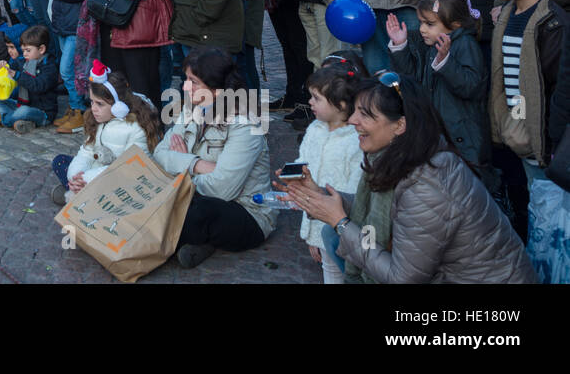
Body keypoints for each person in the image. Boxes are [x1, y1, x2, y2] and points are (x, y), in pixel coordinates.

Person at [285, 74, 538, 283]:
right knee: (334, 234)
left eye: (365, 115)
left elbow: (402, 279)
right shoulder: (399, 155)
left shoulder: (428, 184)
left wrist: (340, 221)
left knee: (339, 232)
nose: (352, 121)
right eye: (354, 112)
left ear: (400, 125)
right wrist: (319, 196)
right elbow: (384, 210)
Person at [153, 48, 274, 269]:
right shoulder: (191, 109)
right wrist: (196, 164)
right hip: (196, 193)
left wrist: (180, 172)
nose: (185, 87)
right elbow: (160, 154)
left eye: (193, 81)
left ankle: (171, 240)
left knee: (195, 211)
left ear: (217, 91)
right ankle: (199, 242)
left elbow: (221, 189)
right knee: (155, 193)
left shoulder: (245, 125)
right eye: (186, 79)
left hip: (246, 212)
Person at [488, 0, 570, 238]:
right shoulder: (508, 15)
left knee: (547, 212)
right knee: (527, 200)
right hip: (515, 129)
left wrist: (551, 140)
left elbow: (556, 88)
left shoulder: (553, 25)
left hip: (542, 139)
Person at [286, 57, 369, 283]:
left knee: (347, 272)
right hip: (316, 217)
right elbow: (302, 163)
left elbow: (353, 192)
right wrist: (293, 182)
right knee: (330, 272)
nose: (310, 102)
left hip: (342, 226)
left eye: (316, 98)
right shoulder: (315, 129)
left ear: (341, 105)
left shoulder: (356, 142)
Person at [386, 0, 488, 168]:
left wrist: (446, 63)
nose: (422, 29)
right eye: (421, 22)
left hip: (462, 138)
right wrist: (400, 46)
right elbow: (412, 80)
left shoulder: (465, 44)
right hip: (436, 133)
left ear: (455, 24)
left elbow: (472, 87)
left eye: (429, 24)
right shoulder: (432, 44)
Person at [50, 63, 163, 206]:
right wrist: (76, 176)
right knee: (60, 161)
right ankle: (79, 193)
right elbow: (87, 151)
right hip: (97, 174)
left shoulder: (136, 128)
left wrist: (87, 179)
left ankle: (79, 198)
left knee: (120, 194)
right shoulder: (99, 118)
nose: (93, 108)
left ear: (118, 106)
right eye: (92, 102)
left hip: (124, 181)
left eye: (100, 104)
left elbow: (126, 168)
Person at [40, 0, 89, 131]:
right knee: (68, 69)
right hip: (61, 23)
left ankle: (79, 111)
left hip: (74, 24)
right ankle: (73, 107)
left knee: (67, 70)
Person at [0, 23, 60, 132]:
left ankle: (0, 120)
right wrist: (3, 65)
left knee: (24, 112)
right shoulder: (24, 61)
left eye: (28, 50)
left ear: (41, 49)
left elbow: (37, 86)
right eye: (23, 51)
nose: (25, 54)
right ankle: (22, 122)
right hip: (21, 105)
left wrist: (17, 75)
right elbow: (11, 68)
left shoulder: (49, 67)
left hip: (42, 113)